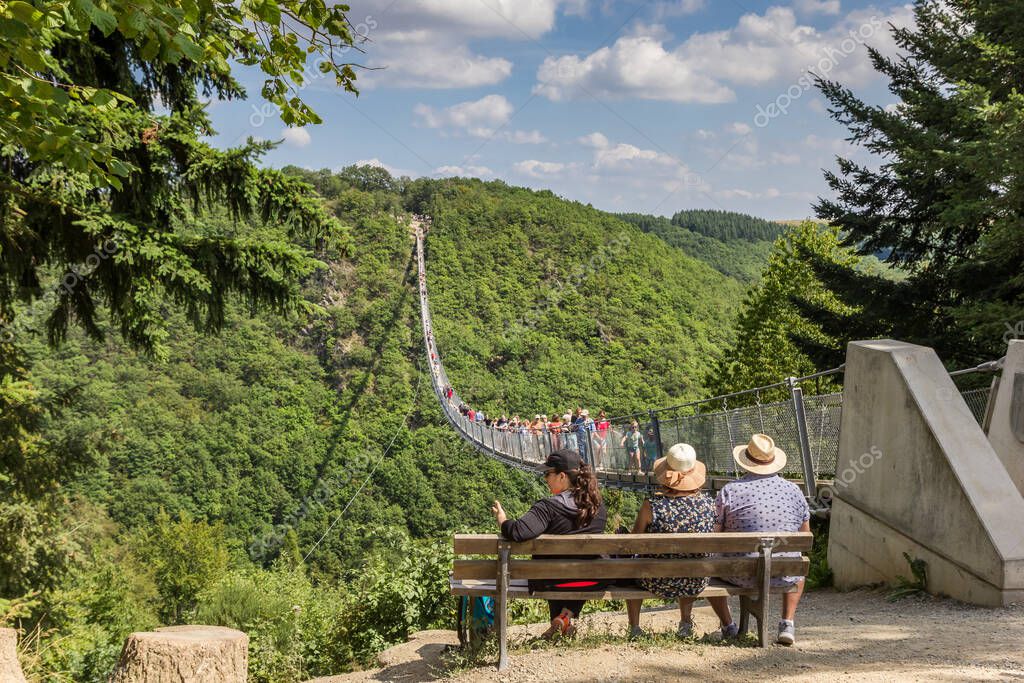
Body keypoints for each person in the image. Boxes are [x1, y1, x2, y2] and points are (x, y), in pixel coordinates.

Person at [707, 433, 810, 645]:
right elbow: (805, 534)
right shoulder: (794, 491)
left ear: (746, 461)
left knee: (707, 568)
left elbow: (713, 536)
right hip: (783, 574)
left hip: (739, 574)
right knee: (799, 565)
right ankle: (787, 623)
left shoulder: (729, 491)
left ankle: (728, 626)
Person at [492, 449, 607, 639]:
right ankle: (565, 617)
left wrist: (502, 519)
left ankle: (561, 621)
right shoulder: (598, 508)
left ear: (562, 476)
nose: (545, 478)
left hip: (551, 582)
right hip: (591, 580)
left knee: (556, 572)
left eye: (547, 474)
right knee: (582, 569)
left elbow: (518, 531)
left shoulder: (548, 507)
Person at [625, 444, 734, 639]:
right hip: (696, 581)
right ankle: (685, 623)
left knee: (633, 561)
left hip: (655, 580)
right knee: (692, 559)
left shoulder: (652, 505)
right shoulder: (709, 503)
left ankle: (634, 627)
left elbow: (634, 541)